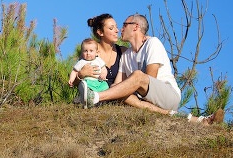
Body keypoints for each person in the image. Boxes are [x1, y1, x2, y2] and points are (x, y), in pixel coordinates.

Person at [75, 13, 223, 125]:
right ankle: (198, 120)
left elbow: (149, 79)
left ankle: (95, 97)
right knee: (120, 93)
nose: (121, 29)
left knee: (138, 77)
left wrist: (108, 93)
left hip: (167, 94)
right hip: (147, 100)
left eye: (125, 24)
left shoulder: (152, 43)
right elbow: (117, 84)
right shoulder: (125, 55)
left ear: (136, 27)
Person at [71, 14, 125, 88]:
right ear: (100, 32)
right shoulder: (89, 52)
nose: (117, 30)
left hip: (119, 95)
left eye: (116, 27)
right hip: (96, 95)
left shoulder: (123, 51)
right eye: (111, 28)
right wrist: (81, 74)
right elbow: (74, 83)